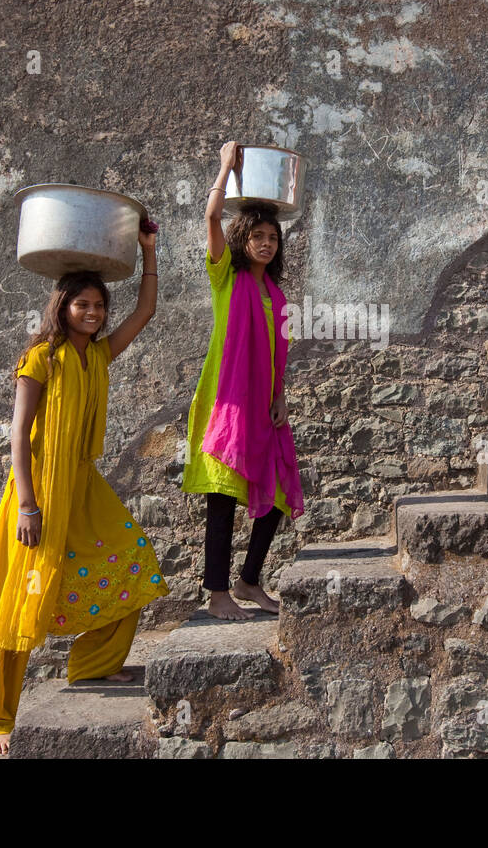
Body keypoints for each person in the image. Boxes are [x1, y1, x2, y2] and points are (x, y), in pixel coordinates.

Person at [0, 232, 168, 755]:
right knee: (21, 604)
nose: (94, 313)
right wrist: (29, 505)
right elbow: (18, 436)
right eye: (83, 304)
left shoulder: (97, 356)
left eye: (100, 305)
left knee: (137, 562)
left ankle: (91, 666)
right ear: (63, 306)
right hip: (38, 495)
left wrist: (148, 248)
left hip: (82, 484)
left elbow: (145, 310)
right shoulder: (40, 359)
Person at [182, 141, 305, 621]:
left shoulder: (275, 293)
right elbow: (211, 219)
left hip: (264, 407)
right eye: (257, 235)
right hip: (227, 404)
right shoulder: (225, 278)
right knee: (223, 497)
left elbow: (278, 355)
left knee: (275, 493)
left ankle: (250, 581)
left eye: (273, 238)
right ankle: (216, 595)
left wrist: (280, 398)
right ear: (243, 239)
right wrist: (223, 169)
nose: (266, 243)